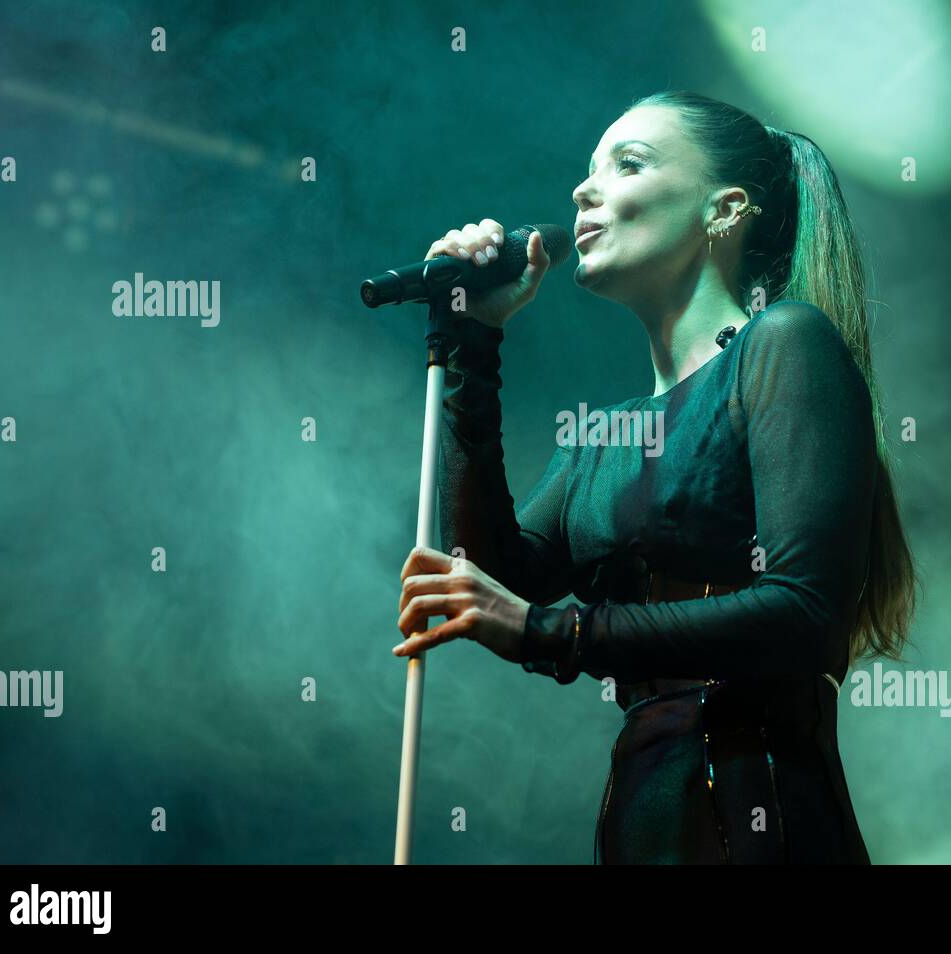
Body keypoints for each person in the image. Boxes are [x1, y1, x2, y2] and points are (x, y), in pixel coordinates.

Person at [394, 90, 919, 864]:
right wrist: (475, 338)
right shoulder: (608, 433)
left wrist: (554, 631)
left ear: (725, 210)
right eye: (588, 169)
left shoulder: (785, 347)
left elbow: (804, 610)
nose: (583, 189)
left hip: (758, 816)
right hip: (644, 820)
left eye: (628, 163)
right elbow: (489, 579)